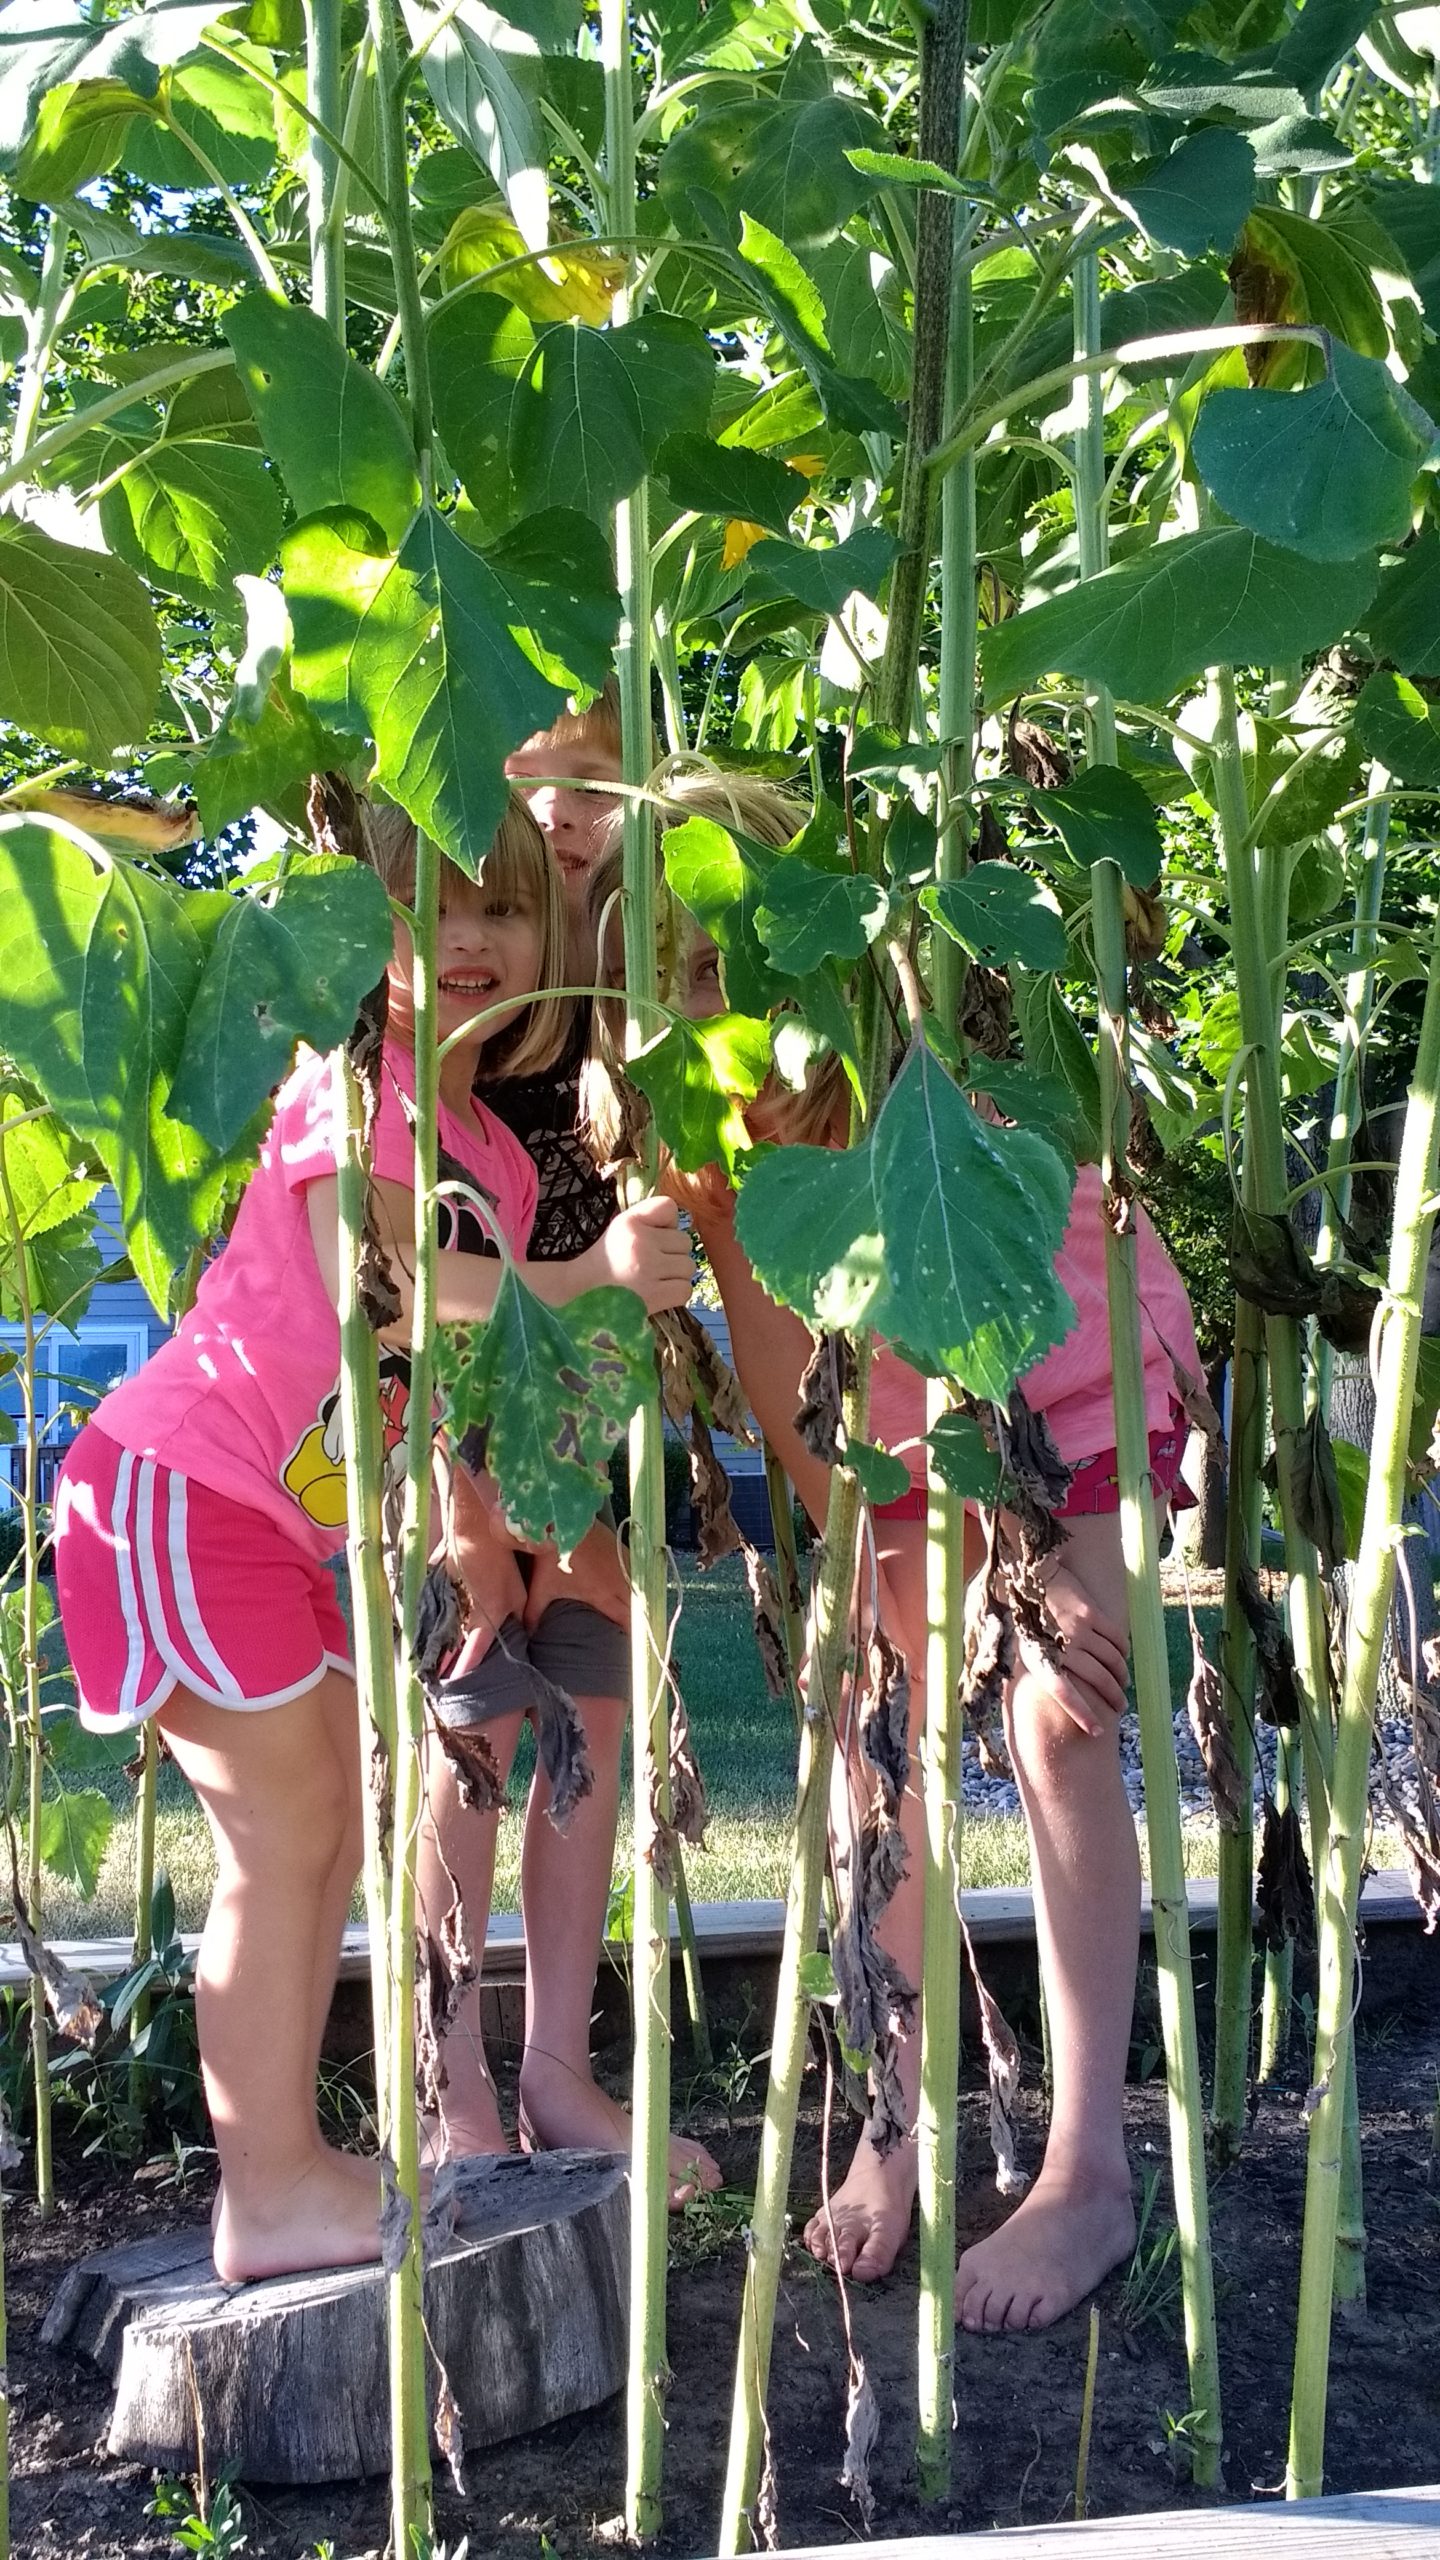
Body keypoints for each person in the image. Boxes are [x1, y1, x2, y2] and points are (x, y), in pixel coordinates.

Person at [588, 766, 1203, 2331]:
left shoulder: (912, 1074)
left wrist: (1024, 1552)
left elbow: (999, 1325)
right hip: (901, 1439)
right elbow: (805, 1425)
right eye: (677, 978)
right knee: (882, 1750)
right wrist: (881, 1602)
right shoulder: (714, 1157)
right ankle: (899, 2125)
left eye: (735, 960)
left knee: (1063, 1713)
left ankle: (1086, 2173)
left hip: (1076, 1381)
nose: (716, 1003)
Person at [52, 795, 695, 2284]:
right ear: (370, 930)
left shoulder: (496, 1150)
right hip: (186, 1492)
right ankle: (266, 2184)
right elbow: (382, 1290)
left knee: (331, 1835)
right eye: (437, 903)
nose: (473, 937)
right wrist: (589, 1271)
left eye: (508, 909)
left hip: (291, 1528)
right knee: (285, 1846)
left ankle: (286, 2170)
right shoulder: (345, 1088)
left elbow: (481, 1369)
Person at [419, 688, 721, 2202]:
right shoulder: (468, 963)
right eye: (548, 781)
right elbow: (409, 1267)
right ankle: (447, 2070)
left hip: (590, 1382)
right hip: (463, 1386)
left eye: (607, 783)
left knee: (588, 1686)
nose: (578, 815)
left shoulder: (635, 964)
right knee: (478, 1697)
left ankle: (554, 2066)